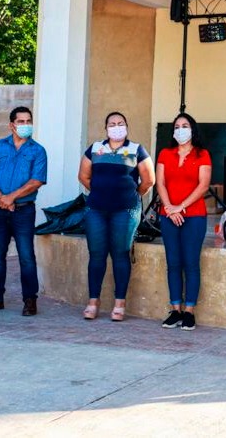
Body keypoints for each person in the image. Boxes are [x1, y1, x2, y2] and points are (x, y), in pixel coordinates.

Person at [78, 111, 154, 321]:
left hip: (125, 211)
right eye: (112, 123)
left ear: (127, 126)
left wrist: (133, 195)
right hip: (96, 210)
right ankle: (93, 301)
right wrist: (101, 191)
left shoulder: (136, 149)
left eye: (121, 123)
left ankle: (119, 302)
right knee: (96, 254)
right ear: (106, 128)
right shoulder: (95, 149)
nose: (116, 126)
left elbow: (149, 180)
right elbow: (84, 176)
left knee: (121, 253)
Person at [0, 107, 47, 316]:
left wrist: (11, 197)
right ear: (11, 125)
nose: (26, 125)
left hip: (24, 211)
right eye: (21, 121)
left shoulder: (38, 150)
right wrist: (0, 197)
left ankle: (30, 300)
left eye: (28, 121)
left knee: (26, 256)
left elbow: (37, 180)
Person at [155, 112, 212, 331]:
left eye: (185, 125)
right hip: (168, 214)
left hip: (194, 215)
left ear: (193, 129)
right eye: (177, 126)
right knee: (173, 262)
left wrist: (181, 207)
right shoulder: (165, 153)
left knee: (190, 262)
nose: (180, 129)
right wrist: (170, 208)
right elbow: (160, 183)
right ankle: (175, 309)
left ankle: (189, 311)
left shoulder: (202, 154)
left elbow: (203, 185)